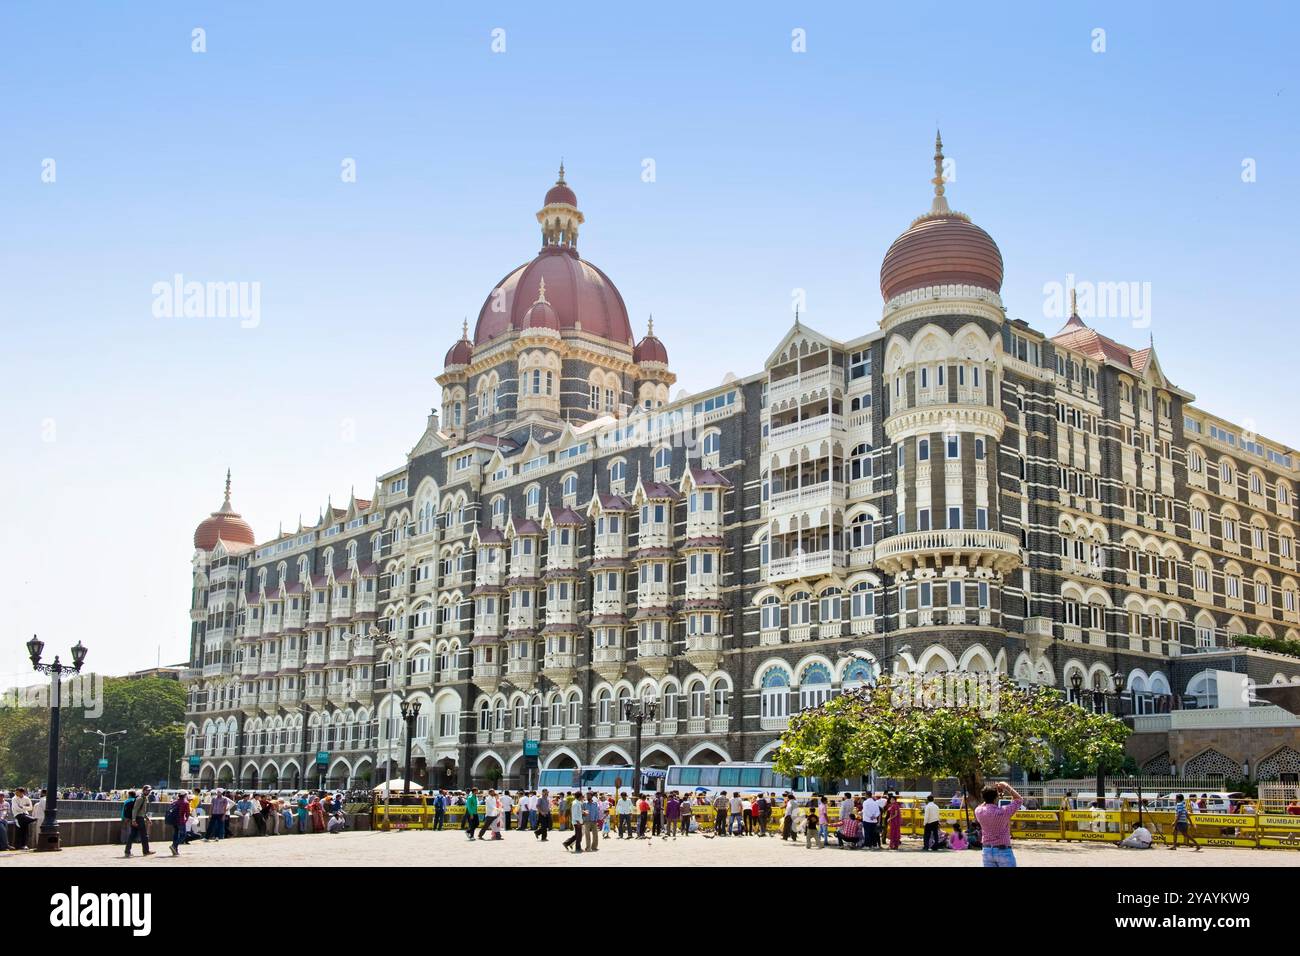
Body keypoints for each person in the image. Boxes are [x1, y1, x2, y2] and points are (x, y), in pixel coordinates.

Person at [974, 781, 1022, 867]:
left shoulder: (978, 811)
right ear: (996, 798)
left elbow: (983, 804)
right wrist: (1006, 786)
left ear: (983, 797)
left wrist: (992, 794)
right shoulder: (1004, 811)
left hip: (987, 851)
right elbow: (1019, 800)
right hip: (1003, 850)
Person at [124, 785, 154, 857]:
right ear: (143, 790)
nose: (148, 792)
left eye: (149, 790)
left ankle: (127, 851)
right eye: (147, 790)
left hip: (138, 818)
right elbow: (135, 809)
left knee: (133, 835)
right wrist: (134, 820)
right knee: (144, 835)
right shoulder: (140, 798)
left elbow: (141, 811)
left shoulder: (144, 798)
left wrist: (147, 818)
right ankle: (146, 851)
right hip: (138, 819)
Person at [165, 791, 190, 856]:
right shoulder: (186, 803)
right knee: (183, 835)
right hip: (181, 820)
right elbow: (187, 813)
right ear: (184, 795)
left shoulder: (174, 802)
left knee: (176, 834)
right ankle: (174, 845)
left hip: (174, 820)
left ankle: (175, 850)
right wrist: (186, 820)